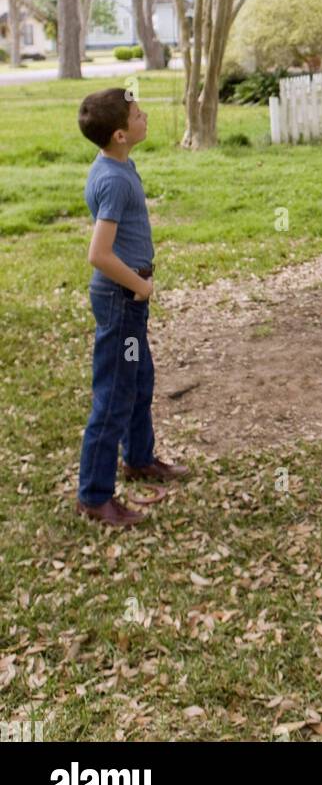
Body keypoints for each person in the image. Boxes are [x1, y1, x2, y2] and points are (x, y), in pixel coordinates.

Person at [76, 88, 189, 528]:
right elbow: (99, 254)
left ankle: (139, 458)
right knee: (115, 394)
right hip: (122, 300)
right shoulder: (114, 180)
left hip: (128, 299)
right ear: (121, 134)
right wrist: (140, 285)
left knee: (139, 379)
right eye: (139, 115)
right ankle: (94, 496)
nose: (146, 117)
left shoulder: (119, 163)